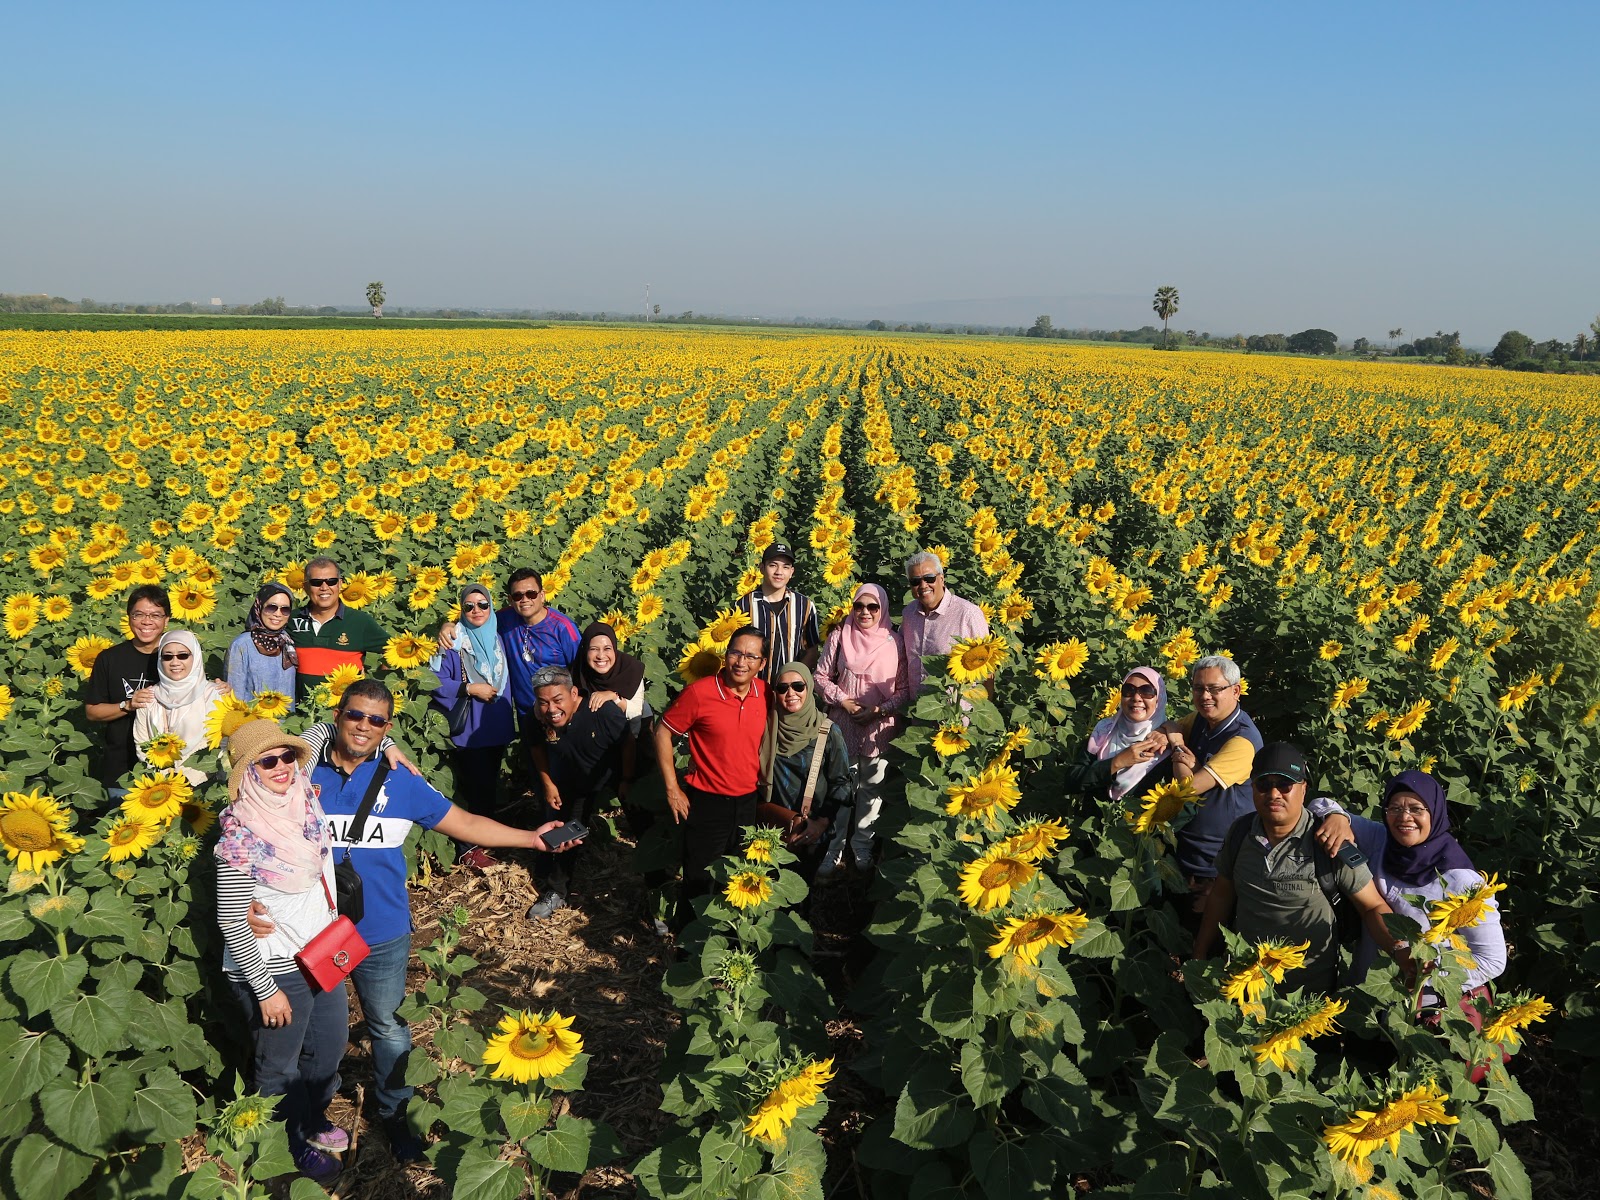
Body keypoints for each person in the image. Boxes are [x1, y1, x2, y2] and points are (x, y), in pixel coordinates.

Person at [247, 679, 574, 1162]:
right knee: (321, 1033)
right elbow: (254, 827)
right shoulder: (302, 770)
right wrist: (249, 900)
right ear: (339, 714)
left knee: (389, 1025)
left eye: (378, 721)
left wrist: (532, 839)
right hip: (312, 932)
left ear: (389, 727)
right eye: (356, 715)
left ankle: (395, 1113)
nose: (364, 726)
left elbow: (462, 823)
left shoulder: (402, 781)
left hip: (381, 930)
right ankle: (310, 1115)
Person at [215, 719, 348, 1184]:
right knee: (279, 1067)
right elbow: (232, 920)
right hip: (273, 966)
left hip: (320, 949)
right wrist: (265, 989)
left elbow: (322, 729)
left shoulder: (302, 792)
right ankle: (278, 1156)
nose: (281, 766)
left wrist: (387, 744)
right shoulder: (240, 832)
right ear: (247, 772)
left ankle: (310, 1118)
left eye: (286, 756)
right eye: (266, 760)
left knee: (330, 1047)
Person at [1195, 744, 1403, 995]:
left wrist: (1401, 950)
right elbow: (1222, 894)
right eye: (1264, 784)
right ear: (1252, 789)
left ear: (1303, 789)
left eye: (1284, 785)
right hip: (1246, 982)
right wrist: (1200, 950)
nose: (1273, 794)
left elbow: (1372, 905)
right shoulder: (1240, 832)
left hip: (1309, 997)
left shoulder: (1329, 842)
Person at [1319, 770, 1506, 1012]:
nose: (1404, 817)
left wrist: (1428, 974)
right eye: (1395, 808)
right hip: (1369, 995)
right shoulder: (1382, 839)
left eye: (1417, 809)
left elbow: (1492, 961)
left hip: (1422, 1010)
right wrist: (1337, 817)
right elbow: (1317, 805)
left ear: (1436, 812)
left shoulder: (1461, 882)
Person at [655, 625, 768, 928]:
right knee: (699, 879)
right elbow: (663, 732)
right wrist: (672, 788)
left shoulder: (764, 693)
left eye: (750, 656)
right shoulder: (701, 692)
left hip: (748, 801)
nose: (741, 662)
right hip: (708, 802)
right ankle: (687, 953)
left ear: (762, 664)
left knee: (739, 878)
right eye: (735, 653)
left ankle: (725, 946)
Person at [1154, 655, 1263, 922]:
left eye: (1215, 689)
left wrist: (1178, 747)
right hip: (1185, 850)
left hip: (1216, 863)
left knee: (1203, 932)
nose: (1205, 696)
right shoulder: (1203, 719)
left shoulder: (1243, 740)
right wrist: (1171, 735)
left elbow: (1187, 789)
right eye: (1198, 688)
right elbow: (1172, 725)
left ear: (1235, 691)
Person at [812, 584, 909, 875]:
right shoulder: (840, 636)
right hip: (843, 724)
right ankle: (834, 848)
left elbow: (904, 690)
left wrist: (879, 710)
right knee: (840, 789)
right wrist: (844, 700)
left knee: (871, 790)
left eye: (873, 607)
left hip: (878, 728)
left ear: (883, 610)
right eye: (859, 606)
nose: (865, 612)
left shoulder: (895, 642)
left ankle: (863, 846)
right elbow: (820, 676)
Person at [526, 665, 630, 919]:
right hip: (577, 778)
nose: (551, 709)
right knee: (567, 830)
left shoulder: (601, 712)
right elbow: (536, 748)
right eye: (544, 702)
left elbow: (628, 743)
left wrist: (627, 779)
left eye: (558, 700)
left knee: (645, 827)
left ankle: (657, 893)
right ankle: (557, 890)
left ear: (574, 693)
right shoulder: (537, 717)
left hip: (616, 772)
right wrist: (548, 783)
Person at [429, 584, 516, 822]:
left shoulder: (498, 636)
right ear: (461, 609)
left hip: (497, 727)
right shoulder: (452, 641)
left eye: (482, 604)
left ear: (491, 607)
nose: (476, 610)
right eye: (469, 606)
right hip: (469, 731)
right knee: (473, 791)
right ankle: (471, 846)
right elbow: (433, 681)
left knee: (488, 788)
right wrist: (469, 688)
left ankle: (487, 841)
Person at [760, 663, 852, 882]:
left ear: (809, 688)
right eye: (782, 688)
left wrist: (821, 823)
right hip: (769, 828)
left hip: (811, 832)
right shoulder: (765, 727)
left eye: (798, 686)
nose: (790, 693)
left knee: (798, 894)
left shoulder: (827, 731)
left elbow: (841, 783)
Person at [84, 585, 169, 796]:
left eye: (155, 615)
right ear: (129, 618)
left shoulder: (176, 656)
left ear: (166, 619)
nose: (146, 621)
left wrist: (218, 688)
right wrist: (128, 705)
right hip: (121, 766)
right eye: (138, 614)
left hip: (169, 764)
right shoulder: (109, 658)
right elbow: (92, 711)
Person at [133, 630, 234, 785]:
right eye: (167, 656)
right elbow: (141, 742)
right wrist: (164, 776)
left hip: (204, 786)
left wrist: (190, 780)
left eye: (183, 655)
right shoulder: (148, 697)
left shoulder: (215, 694)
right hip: (162, 785)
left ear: (196, 656)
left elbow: (225, 743)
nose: (175, 662)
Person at [1062, 666, 1172, 806]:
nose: (1136, 698)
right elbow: (1072, 781)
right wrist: (1117, 763)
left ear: (1159, 698)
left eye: (1147, 691)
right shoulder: (1104, 732)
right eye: (1129, 690)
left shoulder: (1167, 742)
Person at [289, 557, 389, 703]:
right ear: (305, 586)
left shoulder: (359, 621)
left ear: (340, 584)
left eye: (331, 581)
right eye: (316, 583)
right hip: (302, 711)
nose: (324, 587)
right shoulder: (292, 619)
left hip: (346, 715)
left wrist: (377, 684)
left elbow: (391, 649)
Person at [898, 550, 989, 695]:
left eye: (929, 578)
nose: (923, 585)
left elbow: (987, 670)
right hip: (916, 710)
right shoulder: (909, 614)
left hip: (954, 711)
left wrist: (982, 709)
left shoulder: (968, 614)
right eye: (915, 581)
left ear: (941, 579)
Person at [736, 542, 821, 684]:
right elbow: (736, 650)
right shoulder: (744, 605)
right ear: (762, 568)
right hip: (752, 688)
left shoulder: (805, 605)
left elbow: (811, 650)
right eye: (773, 565)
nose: (779, 572)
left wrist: (795, 680)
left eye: (785, 567)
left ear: (792, 572)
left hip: (789, 692)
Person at [227, 582, 298, 706]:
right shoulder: (242, 645)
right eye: (272, 607)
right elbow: (235, 696)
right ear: (259, 607)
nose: (278, 614)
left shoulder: (287, 642)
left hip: (286, 722)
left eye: (285, 609)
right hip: (254, 722)